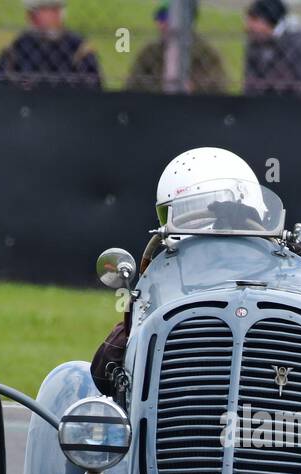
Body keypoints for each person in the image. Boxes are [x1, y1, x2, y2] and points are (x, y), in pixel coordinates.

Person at [91, 148, 265, 397]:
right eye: (175, 213)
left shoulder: (280, 267)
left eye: (196, 207)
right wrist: (134, 322)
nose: (190, 221)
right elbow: (102, 372)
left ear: (241, 200)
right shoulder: (168, 280)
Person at [0, 0, 102, 91]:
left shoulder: (78, 49)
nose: (32, 16)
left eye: (40, 10)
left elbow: (93, 92)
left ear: (58, 12)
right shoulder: (18, 47)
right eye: (31, 11)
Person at [125, 3, 229, 94]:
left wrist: (196, 88)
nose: (160, 23)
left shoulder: (206, 54)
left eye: (166, 17)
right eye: (159, 17)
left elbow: (220, 87)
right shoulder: (149, 52)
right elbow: (131, 85)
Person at [243, 0, 301, 98]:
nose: (247, 27)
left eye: (254, 19)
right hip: (272, 107)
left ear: (271, 20)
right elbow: (251, 87)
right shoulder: (255, 43)